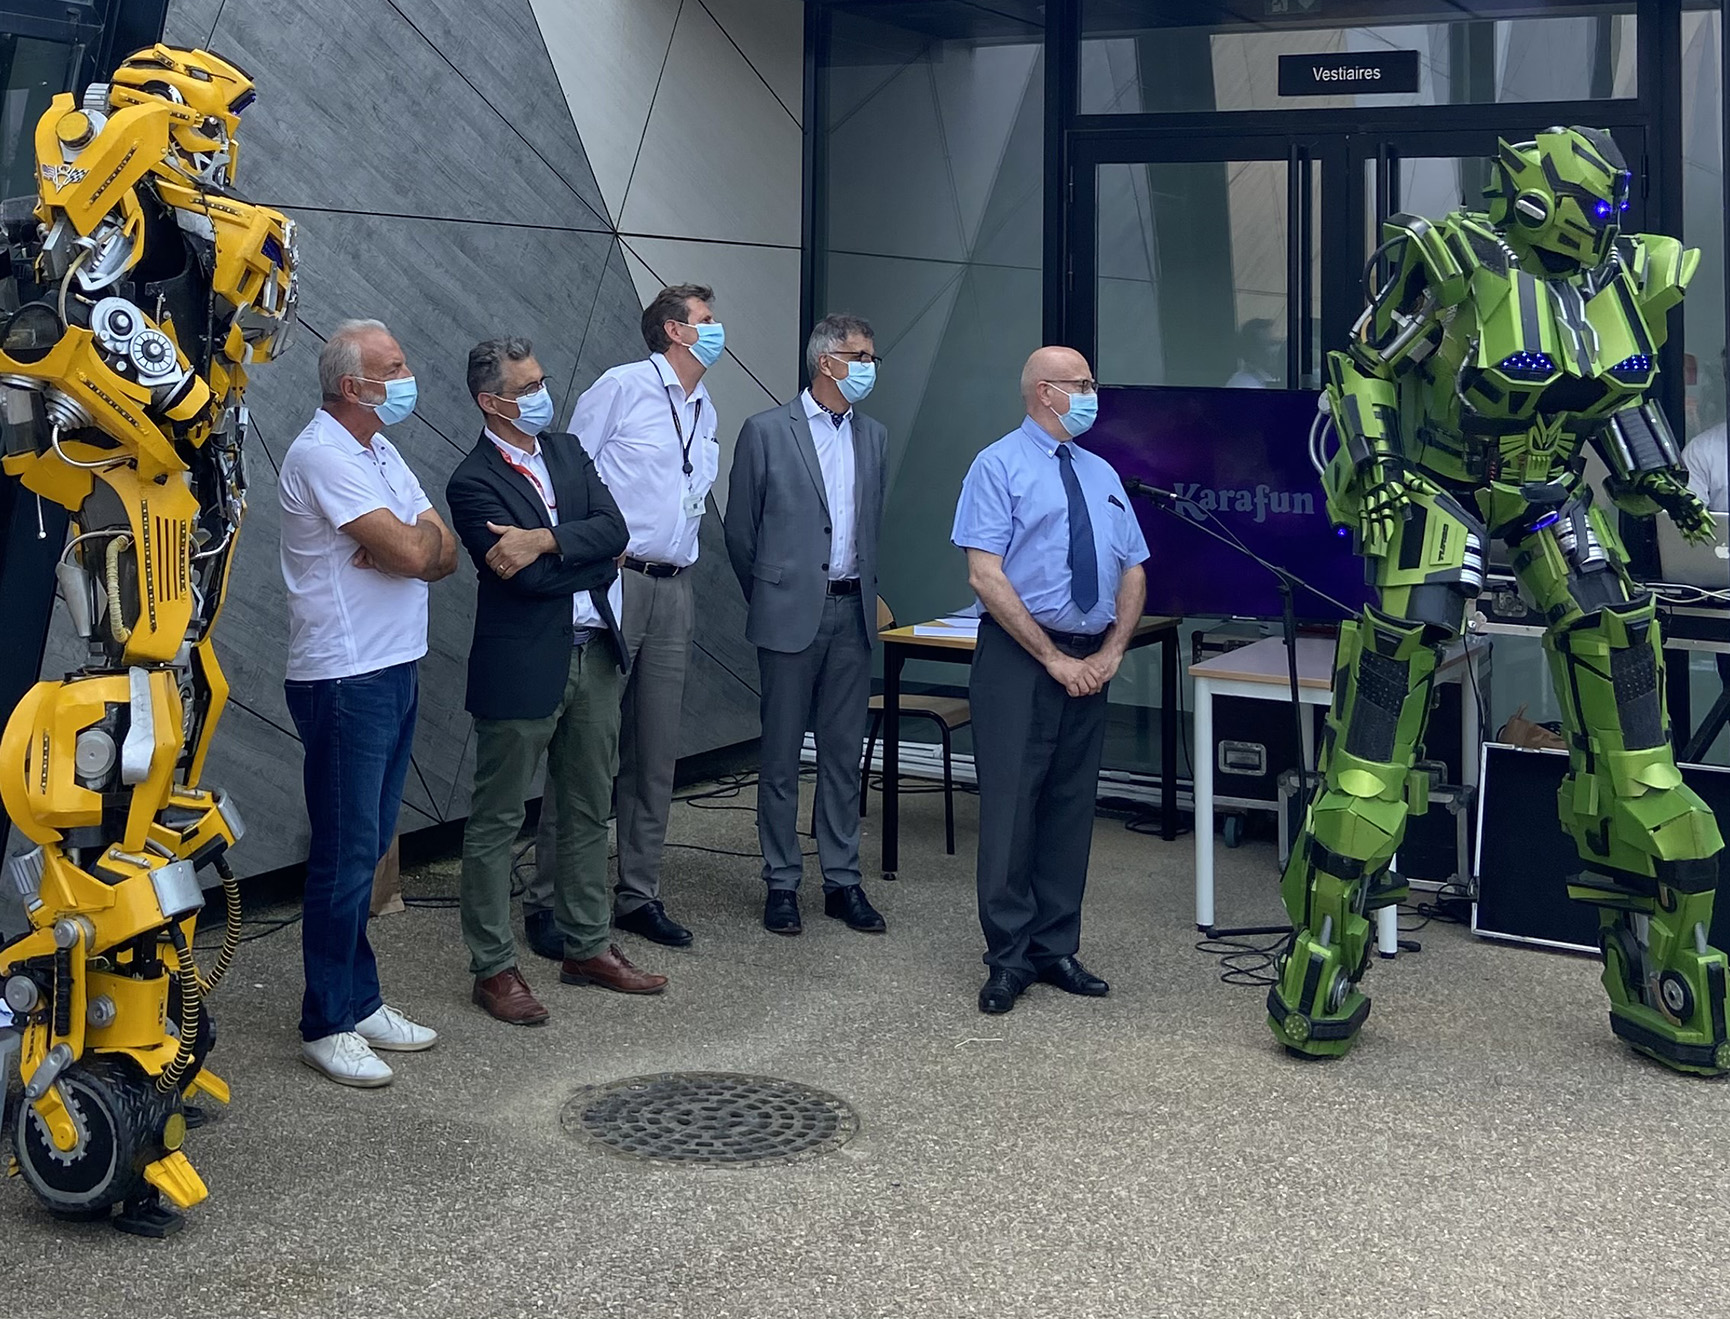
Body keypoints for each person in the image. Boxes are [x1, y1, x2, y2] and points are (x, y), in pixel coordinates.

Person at [446, 337, 665, 1025]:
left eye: (543, 379)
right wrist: (586, 552)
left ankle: (587, 946)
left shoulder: (567, 451)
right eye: (529, 386)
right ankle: (494, 966)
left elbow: (616, 529)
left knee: (585, 805)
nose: (543, 394)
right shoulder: (471, 479)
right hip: (522, 664)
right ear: (492, 401)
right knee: (499, 818)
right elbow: (538, 578)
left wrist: (542, 538)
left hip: (595, 654)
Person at [279, 319, 457, 1086]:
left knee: (374, 841)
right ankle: (327, 1019)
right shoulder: (322, 451)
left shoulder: (378, 449)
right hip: (346, 676)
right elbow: (418, 550)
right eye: (394, 365)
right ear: (353, 385)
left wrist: (410, 545)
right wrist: (410, 546)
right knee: (348, 853)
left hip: (394, 665)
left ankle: (362, 996)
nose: (407, 375)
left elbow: (439, 550)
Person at [951, 346, 1149, 1016]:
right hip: (1019, 659)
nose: (1094, 394)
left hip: (1091, 658)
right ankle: (1007, 956)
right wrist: (1051, 657)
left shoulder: (1102, 472)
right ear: (1045, 390)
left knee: (1070, 806)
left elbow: (1132, 568)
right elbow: (985, 574)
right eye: (1083, 384)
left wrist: (1113, 650)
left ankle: (1054, 944)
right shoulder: (998, 465)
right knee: (1011, 809)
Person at [560, 283, 723, 950]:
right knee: (585, 749)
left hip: (674, 584)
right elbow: (568, 473)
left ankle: (639, 893)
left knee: (655, 750)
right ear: (676, 331)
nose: (718, 331)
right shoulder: (622, 387)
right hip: (614, 581)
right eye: (708, 321)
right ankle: (553, 897)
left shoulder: (705, 405)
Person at [725, 314, 888, 936]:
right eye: (862, 356)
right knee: (782, 753)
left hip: (853, 612)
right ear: (828, 362)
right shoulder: (767, 431)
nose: (871, 367)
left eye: (873, 357)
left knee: (845, 755)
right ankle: (782, 881)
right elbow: (741, 529)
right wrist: (771, 595)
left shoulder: (873, 436)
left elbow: (871, 524)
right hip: (790, 612)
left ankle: (843, 880)